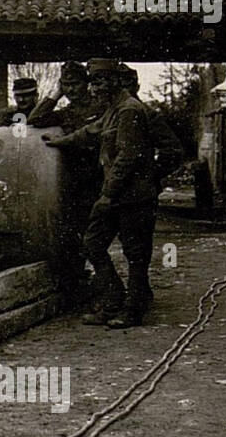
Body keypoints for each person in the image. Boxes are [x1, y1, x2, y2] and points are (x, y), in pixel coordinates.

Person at [43, 58, 159, 329]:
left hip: (133, 197)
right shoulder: (113, 109)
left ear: (115, 81)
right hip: (118, 195)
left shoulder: (129, 110)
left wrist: (107, 195)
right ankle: (115, 297)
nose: (95, 88)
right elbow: (88, 132)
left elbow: (126, 158)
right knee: (92, 243)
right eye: (94, 82)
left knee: (136, 255)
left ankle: (133, 311)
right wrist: (60, 141)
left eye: (101, 81)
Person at [28, 61, 100, 299]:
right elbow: (34, 119)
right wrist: (55, 95)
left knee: (95, 239)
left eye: (75, 84)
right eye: (66, 85)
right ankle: (78, 286)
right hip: (73, 184)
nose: (72, 90)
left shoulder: (100, 107)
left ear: (86, 84)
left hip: (97, 180)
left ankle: (105, 290)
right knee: (72, 236)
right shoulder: (65, 113)